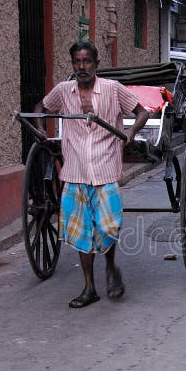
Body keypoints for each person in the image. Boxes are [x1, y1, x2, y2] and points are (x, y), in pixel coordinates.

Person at [34, 41, 149, 308]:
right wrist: (40, 128)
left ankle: (110, 267)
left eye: (86, 62)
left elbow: (142, 111)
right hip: (74, 172)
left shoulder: (112, 89)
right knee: (82, 233)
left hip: (105, 169)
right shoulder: (64, 91)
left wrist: (131, 132)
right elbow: (40, 106)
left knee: (108, 227)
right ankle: (89, 288)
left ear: (96, 64)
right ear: (72, 64)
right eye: (77, 62)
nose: (81, 67)